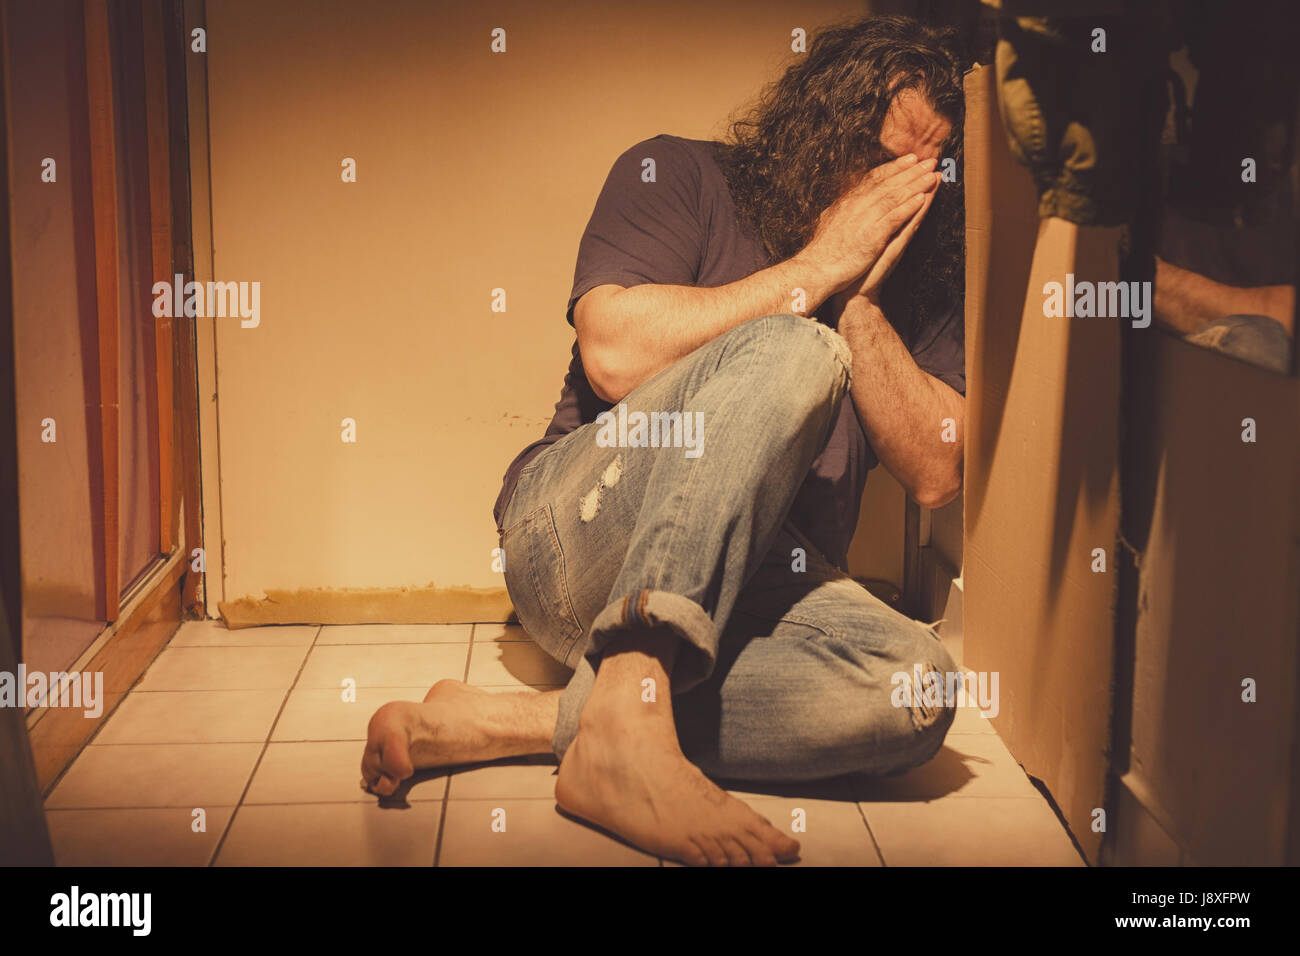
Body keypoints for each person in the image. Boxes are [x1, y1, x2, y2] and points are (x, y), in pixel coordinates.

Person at [363, 14, 969, 866]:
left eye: (923, 171)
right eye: (876, 155)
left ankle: (539, 723)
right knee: (795, 342)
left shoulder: (919, 281)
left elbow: (938, 470)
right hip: (574, 539)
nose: (896, 190)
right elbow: (609, 351)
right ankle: (633, 682)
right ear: (821, 121)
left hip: (746, 587)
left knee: (921, 687)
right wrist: (817, 270)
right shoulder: (679, 172)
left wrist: (861, 298)